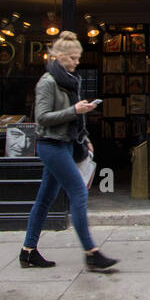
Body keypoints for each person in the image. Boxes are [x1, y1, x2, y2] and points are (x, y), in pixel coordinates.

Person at [19, 30, 118, 271]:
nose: (76, 62)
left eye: (77, 58)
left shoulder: (68, 81)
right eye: (72, 58)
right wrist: (75, 110)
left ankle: (27, 251)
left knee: (44, 199)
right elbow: (42, 118)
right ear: (59, 56)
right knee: (78, 193)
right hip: (51, 146)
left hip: (64, 143)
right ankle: (91, 252)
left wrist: (85, 138)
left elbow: (74, 120)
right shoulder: (48, 82)